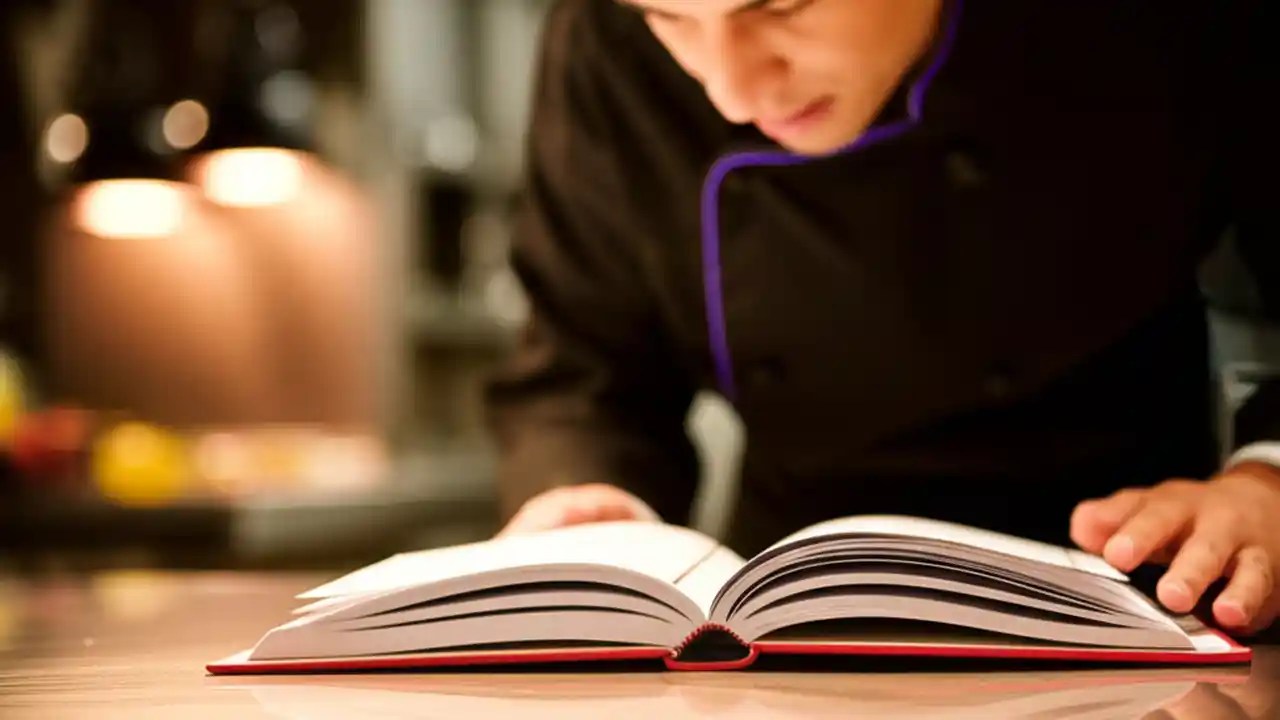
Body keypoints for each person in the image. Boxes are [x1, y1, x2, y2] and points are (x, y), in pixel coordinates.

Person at [484, 0, 1279, 634]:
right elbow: (582, 365)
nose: (730, 87)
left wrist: (1269, 480)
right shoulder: (604, 46)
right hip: (788, 622)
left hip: (1150, 594)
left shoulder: (1169, 20)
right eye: (669, 18)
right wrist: (585, 499)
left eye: (784, 6)